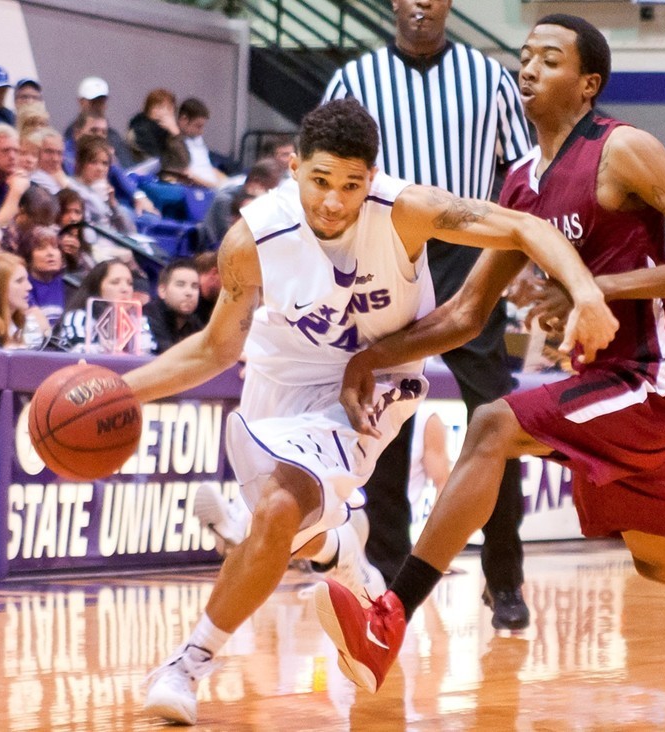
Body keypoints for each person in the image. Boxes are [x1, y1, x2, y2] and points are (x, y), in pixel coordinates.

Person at [314, 15, 665, 720]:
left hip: (652, 373)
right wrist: (369, 357)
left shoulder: (622, 150)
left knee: (491, 425)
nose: (529, 68)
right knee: (661, 556)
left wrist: (597, 288)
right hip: (604, 381)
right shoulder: (518, 183)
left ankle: (389, 617)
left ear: (588, 84)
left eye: (549, 59)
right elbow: (463, 315)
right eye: (524, 56)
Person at [127, 98, 611, 725]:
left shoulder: (404, 210)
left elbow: (523, 226)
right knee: (287, 524)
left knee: (276, 512)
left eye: (352, 185)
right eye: (321, 181)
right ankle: (338, 553)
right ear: (293, 166)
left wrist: (587, 292)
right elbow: (218, 347)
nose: (333, 201)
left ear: (372, 179)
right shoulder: (251, 239)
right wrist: (122, 392)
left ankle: (185, 666)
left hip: (372, 385)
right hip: (277, 385)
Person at [322, 0, 535, 629]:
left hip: (467, 255)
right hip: (382, 249)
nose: (422, 3)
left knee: (495, 416)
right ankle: (391, 582)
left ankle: (505, 577)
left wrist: (517, 257)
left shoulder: (489, 77)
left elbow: (520, 176)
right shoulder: (353, 80)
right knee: (386, 418)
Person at [54, 258, 135, 352]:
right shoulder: (79, 317)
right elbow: (81, 353)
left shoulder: (137, 321)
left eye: (130, 283)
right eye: (115, 282)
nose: (125, 289)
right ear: (97, 288)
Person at [0, 250, 49, 348]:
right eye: (19, 281)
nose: (29, 287)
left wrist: (46, 332)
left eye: (27, 280)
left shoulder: (29, 326)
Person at [143, 258, 204, 353]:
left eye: (194, 286)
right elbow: (167, 355)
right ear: (162, 291)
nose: (189, 292)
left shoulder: (194, 322)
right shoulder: (148, 316)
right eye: (180, 285)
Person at [176, 98, 227, 188]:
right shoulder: (174, 143)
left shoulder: (196, 138)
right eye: (198, 126)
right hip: (199, 188)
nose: (201, 132)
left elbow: (207, 166)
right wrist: (216, 186)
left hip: (212, 184)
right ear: (184, 120)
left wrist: (228, 183)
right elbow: (187, 174)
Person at [127, 88, 179, 162]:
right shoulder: (140, 132)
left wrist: (175, 133)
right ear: (152, 110)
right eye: (166, 108)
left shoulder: (170, 130)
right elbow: (156, 161)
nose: (171, 113)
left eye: (172, 108)